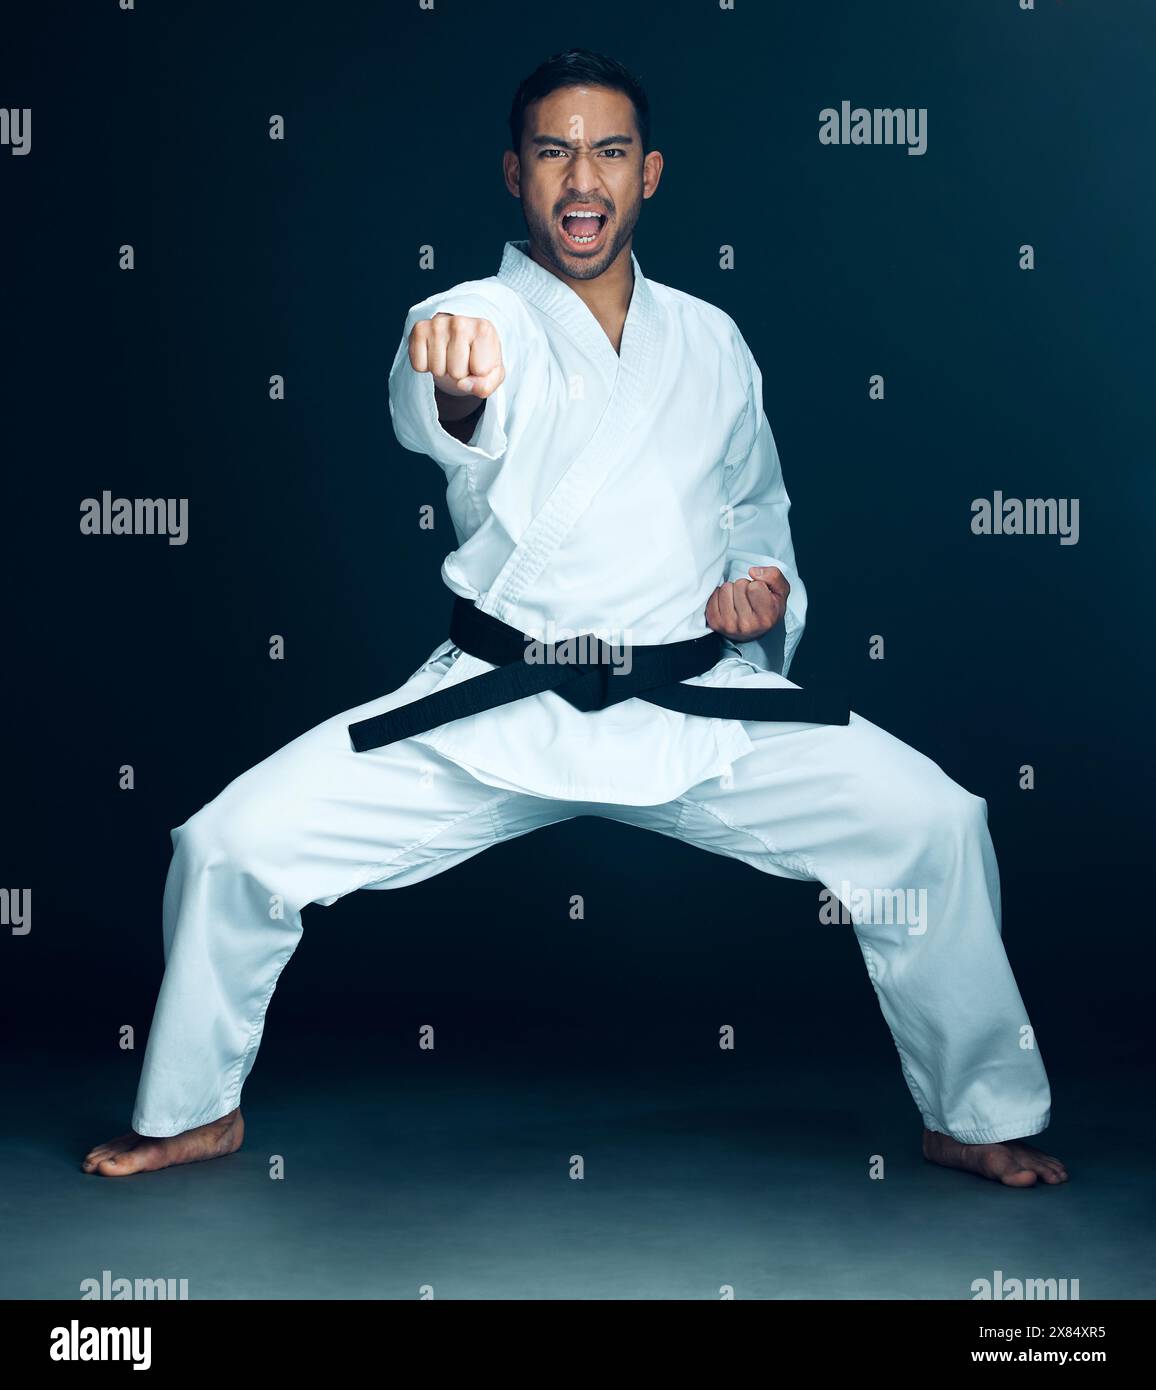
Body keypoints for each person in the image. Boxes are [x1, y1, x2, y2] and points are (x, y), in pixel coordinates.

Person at [83, 49, 1067, 1188]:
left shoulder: (711, 339)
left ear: (649, 173)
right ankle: (195, 1110)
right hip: (495, 702)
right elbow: (445, 386)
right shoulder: (477, 315)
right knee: (227, 846)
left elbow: (755, 508)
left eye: (608, 151)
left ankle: (970, 1111)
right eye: (553, 152)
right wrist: (454, 380)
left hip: (693, 700)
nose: (581, 177)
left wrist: (757, 590)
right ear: (517, 174)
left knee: (937, 822)